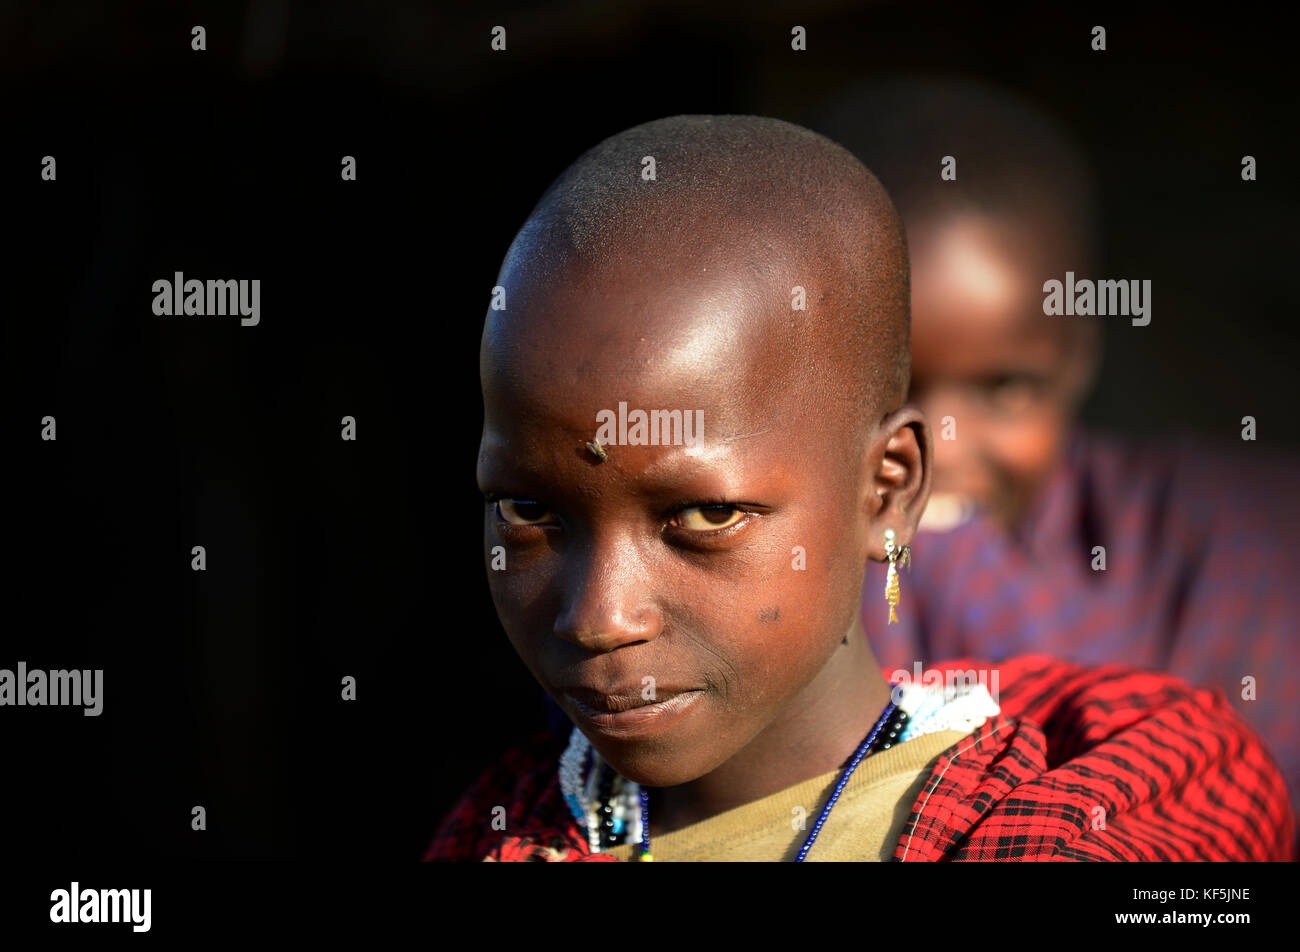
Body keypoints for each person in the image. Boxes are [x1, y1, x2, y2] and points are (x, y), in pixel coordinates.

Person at [425, 115, 1293, 861]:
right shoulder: (500, 828)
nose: (599, 617)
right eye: (529, 510)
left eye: (706, 513)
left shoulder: (1122, 800)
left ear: (886, 491)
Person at [814, 78, 1300, 836]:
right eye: (888, 388)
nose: (935, 448)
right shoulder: (771, 570)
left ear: (1078, 357)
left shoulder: (1240, 544)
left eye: (1004, 387)